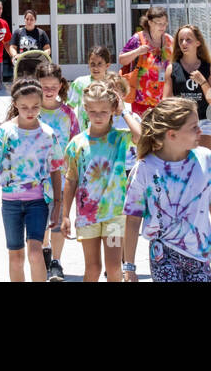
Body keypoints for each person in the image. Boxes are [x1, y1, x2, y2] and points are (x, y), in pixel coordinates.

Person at [122, 98, 211, 283]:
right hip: (163, 254)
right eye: (194, 127)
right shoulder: (145, 168)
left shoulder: (207, 159)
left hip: (200, 255)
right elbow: (132, 220)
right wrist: (129, 267)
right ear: (172, 135)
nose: (200, 131)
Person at [0, 78, 64, 282]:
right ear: (15, 104)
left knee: (35, 252)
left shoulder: (47, 134)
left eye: (35, 106)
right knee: (16, 257)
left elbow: (55, 169)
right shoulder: (6, 132)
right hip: (11, 203)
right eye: (24, 107)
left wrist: (58, 203)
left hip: (38, 202)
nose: (30, 111)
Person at [61, 80, 142, 282]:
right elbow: (71, 180)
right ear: (86, 110)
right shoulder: (76, 144)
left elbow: (141, 137)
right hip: (87, 215)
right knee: (93, 268)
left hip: (114, 214)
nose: (98, 116)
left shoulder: (120, 138)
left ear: (111, 111)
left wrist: (123, 111)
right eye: (93, 111)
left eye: (104, 111)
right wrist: (65, 215)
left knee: (114, 268)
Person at [34, 60, 79, 281]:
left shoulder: (68, 114)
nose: (49, 91)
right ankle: (45, 249)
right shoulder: (29, 110)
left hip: (60, 177)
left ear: (61, 85)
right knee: (41, 222)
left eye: (53, 86)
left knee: (59, 220)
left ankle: (56, 262)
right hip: (34, 179)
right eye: (44, 86)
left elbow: (75, 145)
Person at [171, 24, 211, 149]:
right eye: (180, 40)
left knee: (204, 163)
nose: (184, 43)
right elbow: (166, 100)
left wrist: (203, 82)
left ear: (198, 43)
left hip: (203, 121)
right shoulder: (172, 68)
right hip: (180, 122)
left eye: (188, 40)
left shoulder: (207, 67)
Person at [120, 6, 173, 115]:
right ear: (150, 22)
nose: (163, 26)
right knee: (143, 130)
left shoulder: (170, 41)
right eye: (159, 23)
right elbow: (122, 60)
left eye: (165, 23)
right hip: (141, 99)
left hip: (164, 99)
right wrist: (137, 52)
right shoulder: (138, 39)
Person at [67, 45, 112, 131]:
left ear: (107, 65)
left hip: (106, 133)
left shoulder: (111, 84)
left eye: (99, 64)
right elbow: (69, 108)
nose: (95, 68)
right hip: (84, 132)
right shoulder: (80, 83)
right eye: (92, 64)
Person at [9, 9, 51, 73]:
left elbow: (47, 48)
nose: (29, 21)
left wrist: (44, 54)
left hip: (37, 64)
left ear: (35, 20)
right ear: (24, 20)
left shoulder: (41, 33)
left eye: (31, 19)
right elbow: (12, 47)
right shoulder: (18, 32)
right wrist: (15, 55)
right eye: (27, 19)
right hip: (22, 63)